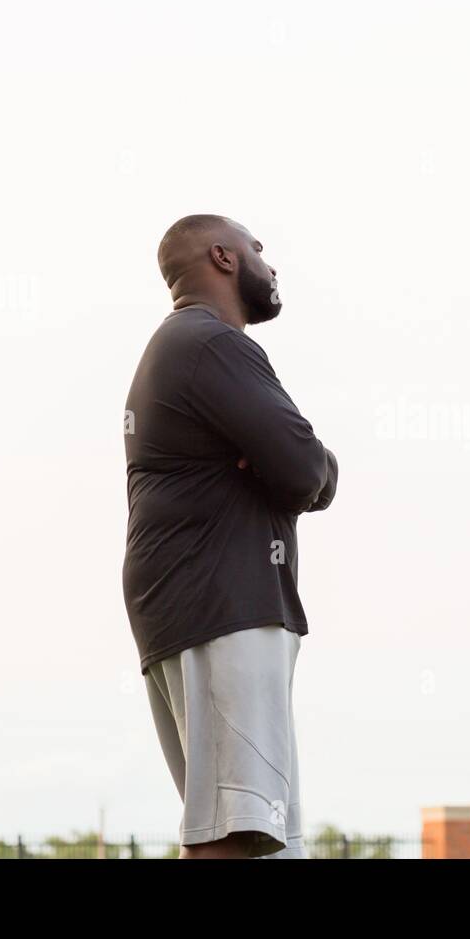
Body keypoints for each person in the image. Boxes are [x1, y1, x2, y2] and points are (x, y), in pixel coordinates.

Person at [123, 214, 337, 858]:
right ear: (222, 256)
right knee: (236, 830)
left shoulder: (187, 345)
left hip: (201, 600)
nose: (269, 265)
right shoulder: (212, 344)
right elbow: (305, 468)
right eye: (257, 249)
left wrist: (297, 468)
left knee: (261, 833)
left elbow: (296, 470)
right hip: (221, 600)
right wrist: (313, 466)